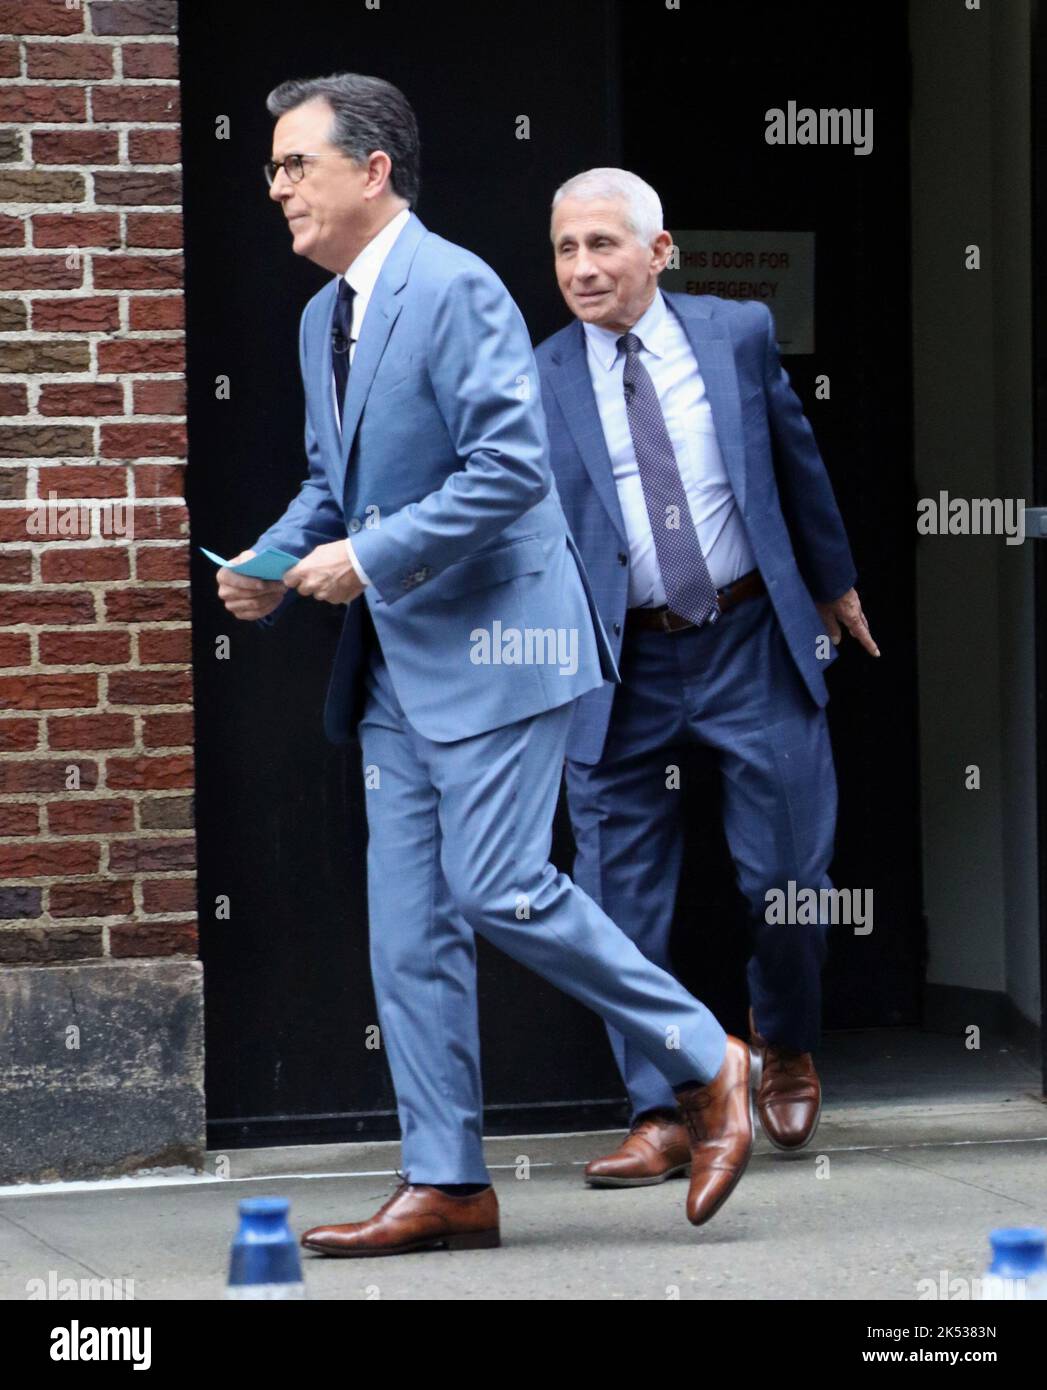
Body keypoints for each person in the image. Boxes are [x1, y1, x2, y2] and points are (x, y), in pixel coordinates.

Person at [217, 75, 754, 1257]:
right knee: (407, 930)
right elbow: (334, 483)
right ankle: (449, 1181)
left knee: (502, 883)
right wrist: (273, 558)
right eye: (271, 167)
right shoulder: (323, 320)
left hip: (504, 645)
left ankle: (710, 1056)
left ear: (373, 170)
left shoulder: (454, 285)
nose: (276, 187)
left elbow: (510, 469)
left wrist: (366, 556)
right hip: (398, 666)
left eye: (295, 163)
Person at [534, 168, 878, 1188]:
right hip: (616, 660)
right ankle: (666, 1107)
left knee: (789, 881)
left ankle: (784, 1038)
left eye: (603, 244)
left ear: (659, 250)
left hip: (745, 638)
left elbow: (795, 459)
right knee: (617, 903)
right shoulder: (537, 369)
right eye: (565, 250)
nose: (584, 268)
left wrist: (835, 582)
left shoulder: (736, 334)